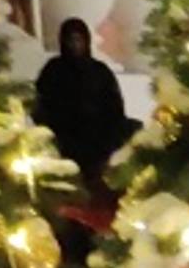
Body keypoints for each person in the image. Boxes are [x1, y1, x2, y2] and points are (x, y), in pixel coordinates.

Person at [33, 18, 132, 184]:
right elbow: (40, 104)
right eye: (70, 40)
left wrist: (108, 137)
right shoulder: (53, 70)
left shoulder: (100, 72)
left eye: (78, 39)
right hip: (61, 141)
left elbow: (115, 108)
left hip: (97, 143)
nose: (74, 44)